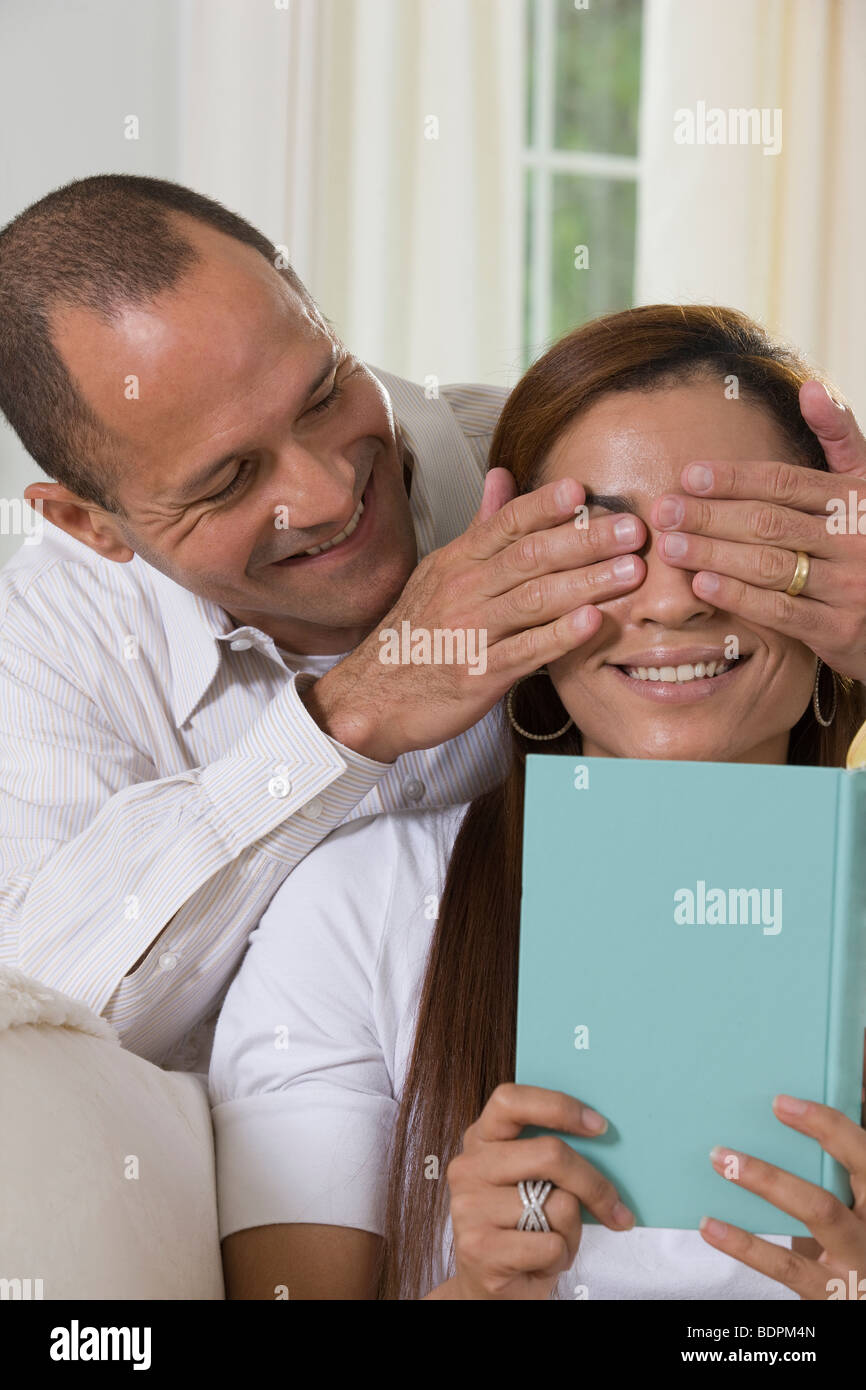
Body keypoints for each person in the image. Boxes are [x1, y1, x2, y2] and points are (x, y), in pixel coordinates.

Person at [2, 175, 866, 1070]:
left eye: (324, 392)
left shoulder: (555, 443)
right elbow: (29, 1028)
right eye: (228, 481)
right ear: (87, 523)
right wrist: (352, 714)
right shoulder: (50, 647)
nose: (330, 491)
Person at [209, 305, 866, 1300]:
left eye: (727, 534)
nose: (668, 603)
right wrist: (472, 1295)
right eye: (602, 540)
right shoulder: (360, 904)